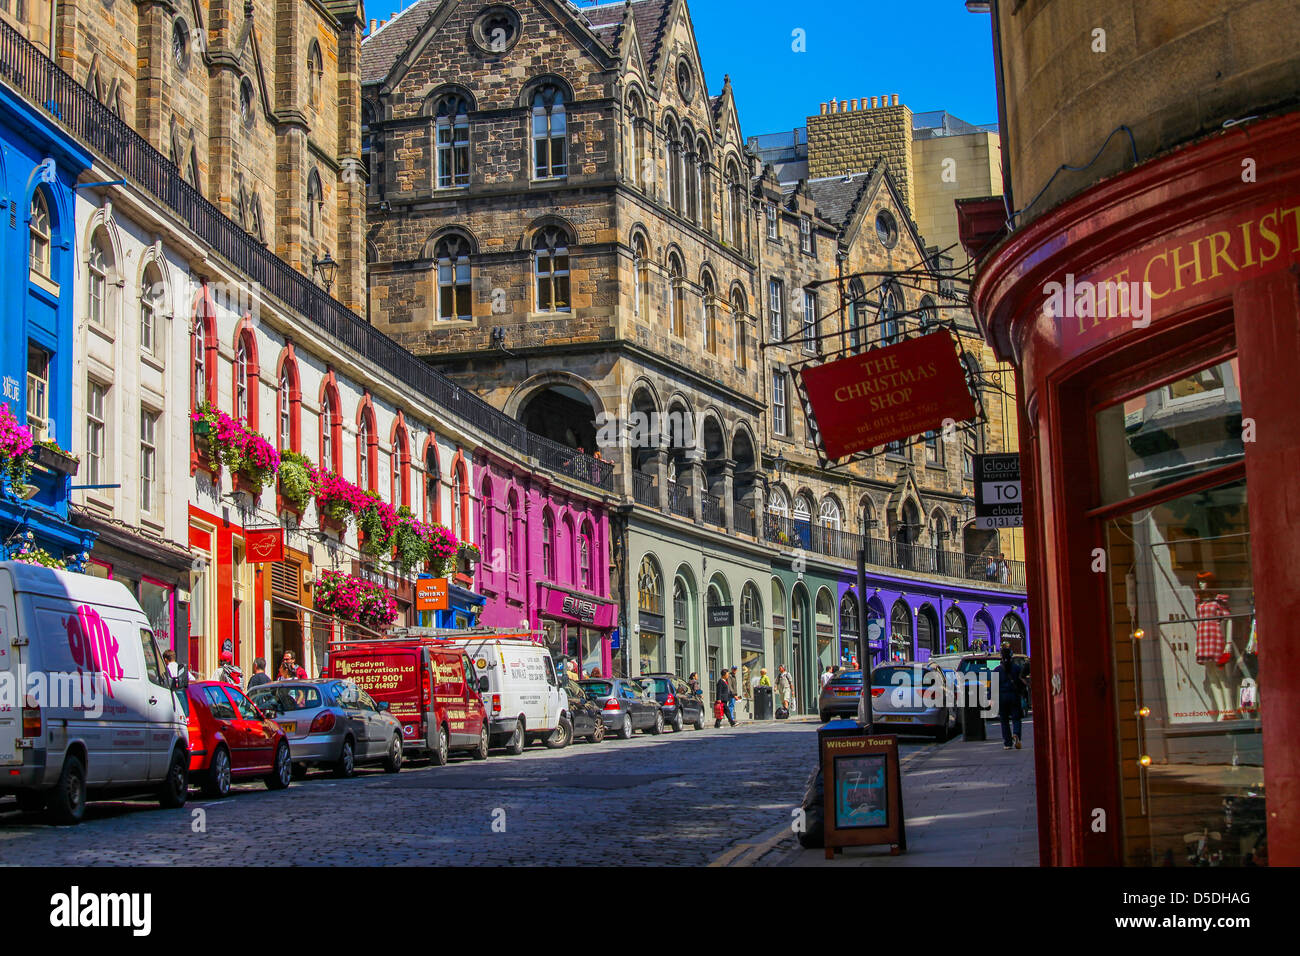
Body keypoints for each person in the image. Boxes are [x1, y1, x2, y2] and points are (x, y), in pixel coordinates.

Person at [994, 644, 1026, 750]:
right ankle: (1016, 734)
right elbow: (1021, 682)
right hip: (1014, 696)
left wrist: (991, 698)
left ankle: (1007, 743)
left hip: (1002, 697)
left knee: (1004, 721)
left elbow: (993, 687)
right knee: (1016, 718)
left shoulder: (997, 670)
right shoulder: (1017, 668)